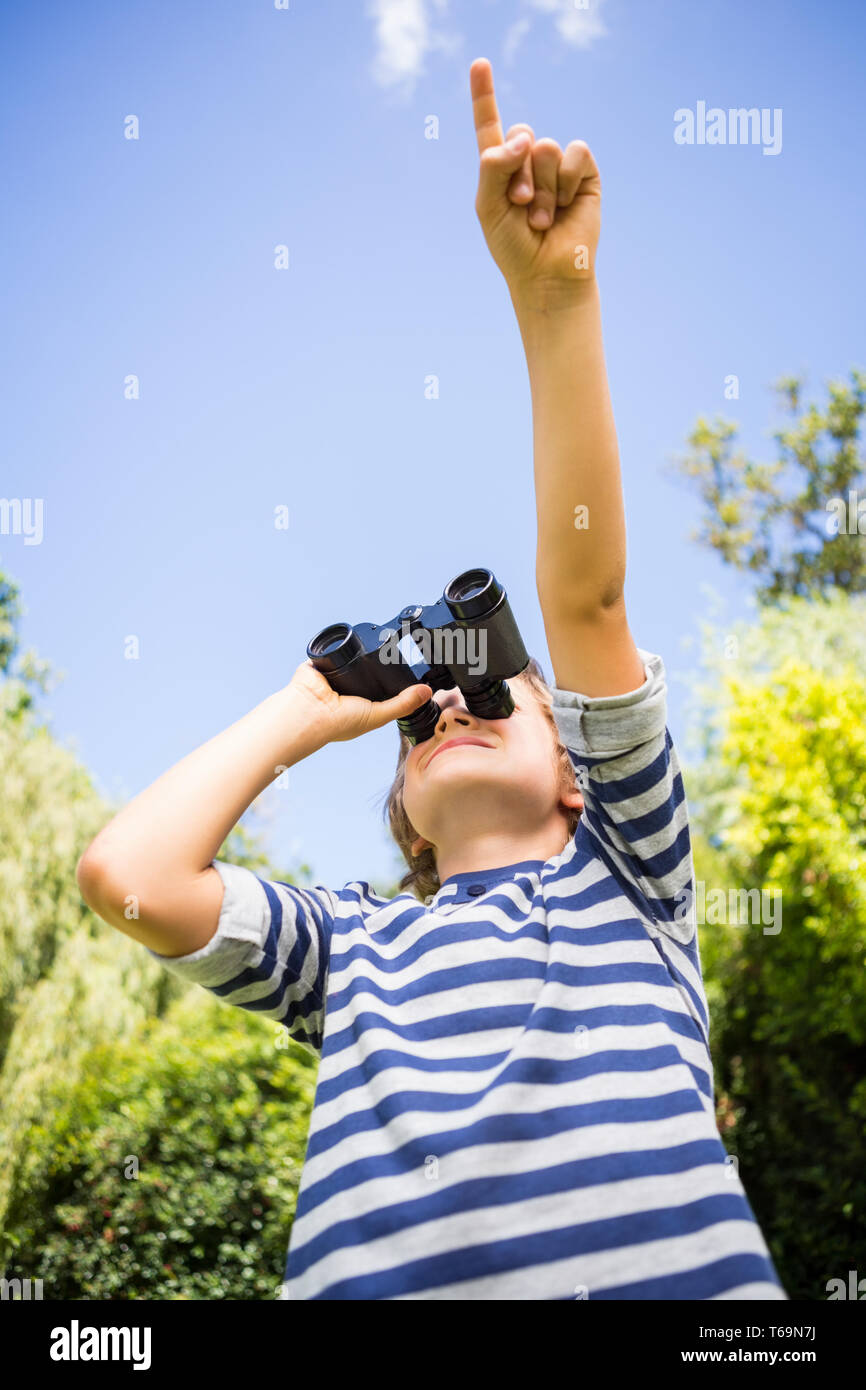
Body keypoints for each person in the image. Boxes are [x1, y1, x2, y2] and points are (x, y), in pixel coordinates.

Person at [77, 58, 787, 1301]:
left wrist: (555, 299)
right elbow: (128, 878)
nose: (453, 703)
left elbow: (581, 602)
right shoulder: (351, 948)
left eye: (495, 692)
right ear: (402, 812)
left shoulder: (628, 876)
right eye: (422, 723)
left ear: (581, 779)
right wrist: (310, 707)